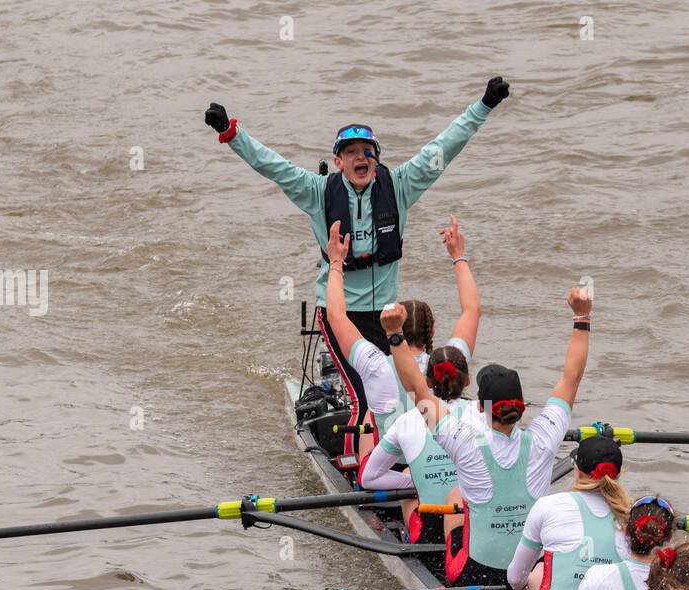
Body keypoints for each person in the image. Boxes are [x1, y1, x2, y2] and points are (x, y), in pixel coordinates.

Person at [204, 78, 511, 460]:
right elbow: (273, 167)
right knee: (367, 395)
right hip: (339, 313)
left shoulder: (400, 186)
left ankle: (414, 460)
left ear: (376, 158)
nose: (359, 157)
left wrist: (484, 105)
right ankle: (366, 471)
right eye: (350, 152)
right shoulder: (317, 191)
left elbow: (444, 148)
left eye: (367, 151)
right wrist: (231, 132)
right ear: (338, 162)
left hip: (386, 317)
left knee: (403, 391)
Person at [386, 288, 594, 590]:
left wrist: (394, 333)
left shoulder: (464, 442)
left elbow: (418, 389)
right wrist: (581, 318)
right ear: (522, 407)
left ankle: (446, 576)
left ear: (480, 407)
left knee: (456, 497)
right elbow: (571, 378)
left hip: (475, 574)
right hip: (528, 571)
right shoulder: (545, 437)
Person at [347, 216, 483, 525]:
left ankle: (361, 481)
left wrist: (337, 266)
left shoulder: (376, 364)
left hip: (394, 475)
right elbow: (472, 309)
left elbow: (337, 318)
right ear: (433, 329)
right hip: (454, 473)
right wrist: (458, 256)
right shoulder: (452, 360)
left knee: (369, 416)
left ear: (389, 330)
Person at [507, 435, 631, 590]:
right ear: (617, 475)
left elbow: (515, 578)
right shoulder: (632, 517)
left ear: (576, 470)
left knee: (538, 569)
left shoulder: (548, 505)